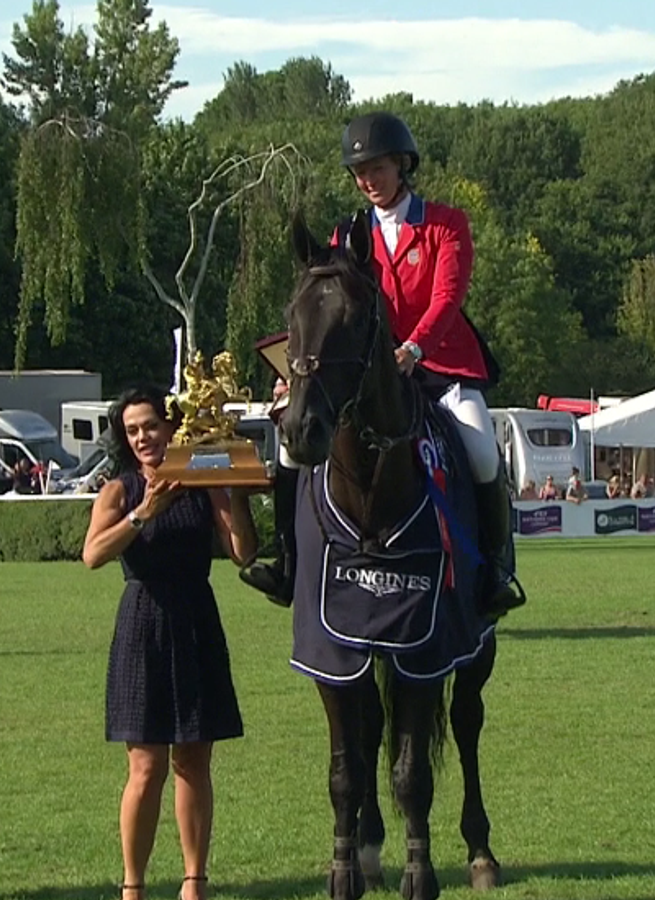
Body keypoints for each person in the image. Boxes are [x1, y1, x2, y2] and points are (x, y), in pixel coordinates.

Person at [240, 110, 524, 620]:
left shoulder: (445, 224)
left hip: (437, 366)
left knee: (481, 446)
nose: (368, 180)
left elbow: (447, 299)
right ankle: (285, 559)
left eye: (377, 168)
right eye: (359, 173)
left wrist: (412, 349)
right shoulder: (346, 234)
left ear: (401, 165)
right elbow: (328, 306)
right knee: (291, 443)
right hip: (366, 375)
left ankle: (495, 570)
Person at [81, 384, 259, 900]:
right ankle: (133, 886)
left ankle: (193, 881)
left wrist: (238, 492)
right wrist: (144, 513)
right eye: (132, 430)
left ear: (171, 426)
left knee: (193, 760)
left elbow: (243, 553)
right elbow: (92, 554)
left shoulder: (202, 480)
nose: (142, 437)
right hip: (143, 624)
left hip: (196, 619)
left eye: (150, 426)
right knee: (145, 765)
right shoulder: (121, 489)